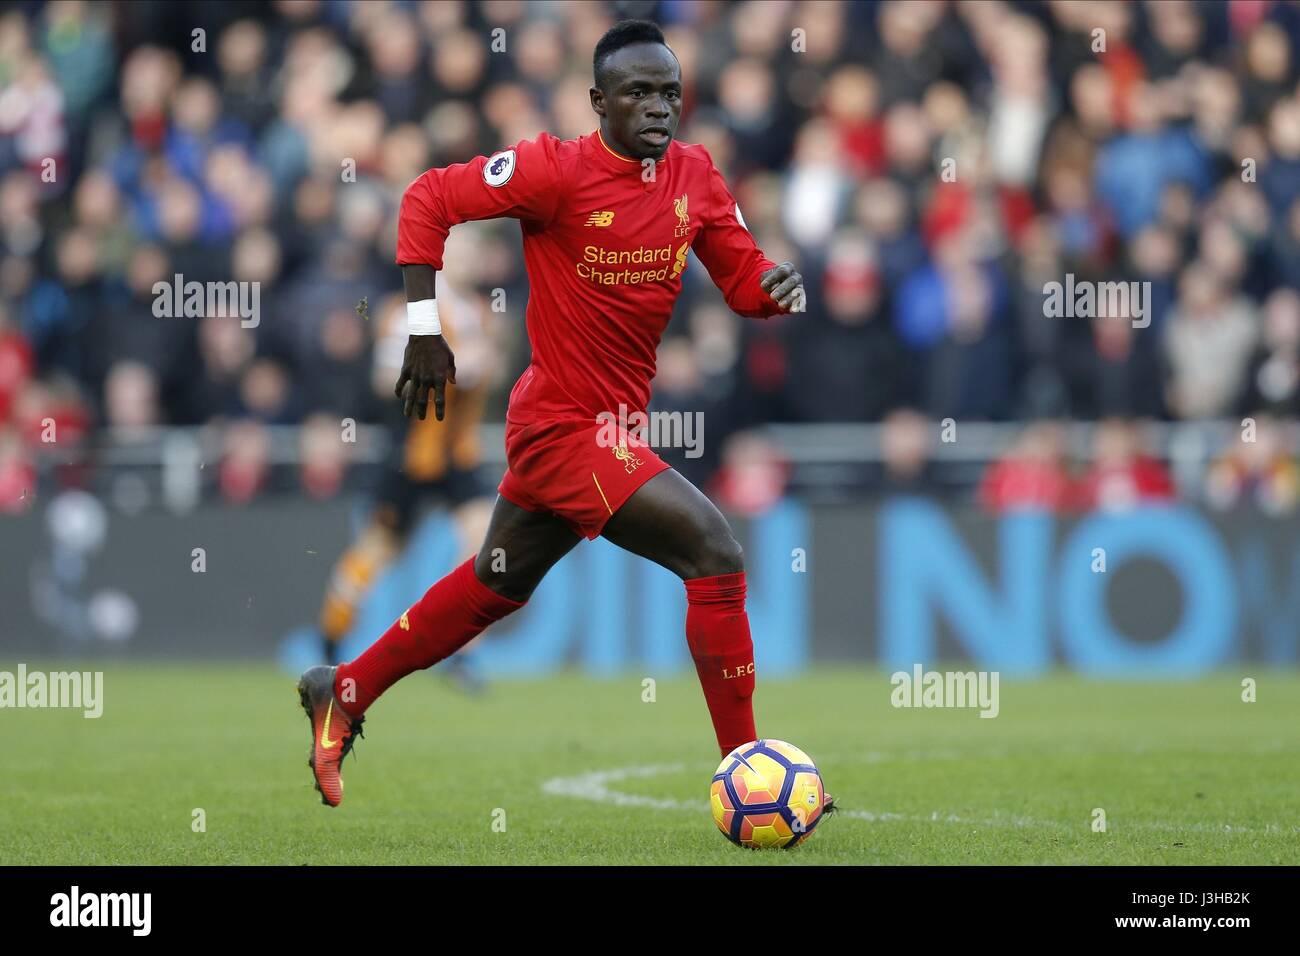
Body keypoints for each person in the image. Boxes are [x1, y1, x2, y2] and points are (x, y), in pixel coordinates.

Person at [295, 20, 830, 819]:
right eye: (639, 93)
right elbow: (427, 198)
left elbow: (741, 277)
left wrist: (773, 287)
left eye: (670, 94)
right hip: (561, 428)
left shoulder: (695, 177)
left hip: (613, 430)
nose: (659, 109)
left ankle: (345, 690)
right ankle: (745, 771)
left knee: (492, 584)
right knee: (714, 554)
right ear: (597, 101)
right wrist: (422, 328)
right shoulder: (553, 171)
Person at [315, 290, 494, 695]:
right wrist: (437, 366)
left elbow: (490, 374)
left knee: (485, 537)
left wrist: (480, 364)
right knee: (378, 550)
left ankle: (463, 654)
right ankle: (329, 640)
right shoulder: (408, 312)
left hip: (456, 454)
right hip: (411, 453)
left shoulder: (478, 312)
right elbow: (383, 381)